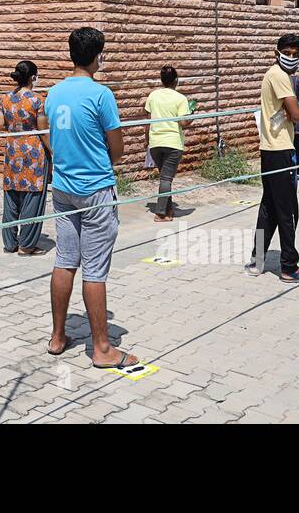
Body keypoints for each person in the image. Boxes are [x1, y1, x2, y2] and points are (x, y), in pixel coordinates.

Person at [37, 27, 136, 368]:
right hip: (95, 190)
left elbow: (46, 133)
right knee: (94, 269)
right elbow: (118, 148)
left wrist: (63, 156)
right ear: (98, 56)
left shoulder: (54, 93)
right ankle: (102, 348)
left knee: (65, 260)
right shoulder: (100, 94)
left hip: (62, 189)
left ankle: (57, 336)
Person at [245, 33, 299, 282]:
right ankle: (289, 266)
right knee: (288, 211)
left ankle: (258, 259)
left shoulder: (277, 76)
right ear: (277, 52)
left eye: (296, 54)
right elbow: (296, 114)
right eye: (288, 52)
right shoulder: (279, 76)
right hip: (280, 150)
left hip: (271, 150)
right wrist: (294, 109)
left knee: (270, 209)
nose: (292, 58)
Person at [0, 60, 49, 255]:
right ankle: (26, 245)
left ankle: (10, 243)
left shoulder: (5, 99)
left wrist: (15, 126)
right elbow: (43, 130)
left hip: (12, 150)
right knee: (32, 196)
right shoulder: (37, 100)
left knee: (11, 195)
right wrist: (53, 151)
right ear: (33, 77)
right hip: (33, 151)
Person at [144, 66, 191, 221]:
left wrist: (147, 141)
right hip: (173, 144)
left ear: (162, 80)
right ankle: (160, 213)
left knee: (165, 177)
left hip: (156, 143)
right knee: (166, 179)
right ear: (176, 81)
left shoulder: (153, 96)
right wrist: (192, 115)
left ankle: (169, 211)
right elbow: (184, 122)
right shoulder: (181, 99)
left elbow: (148, 122)